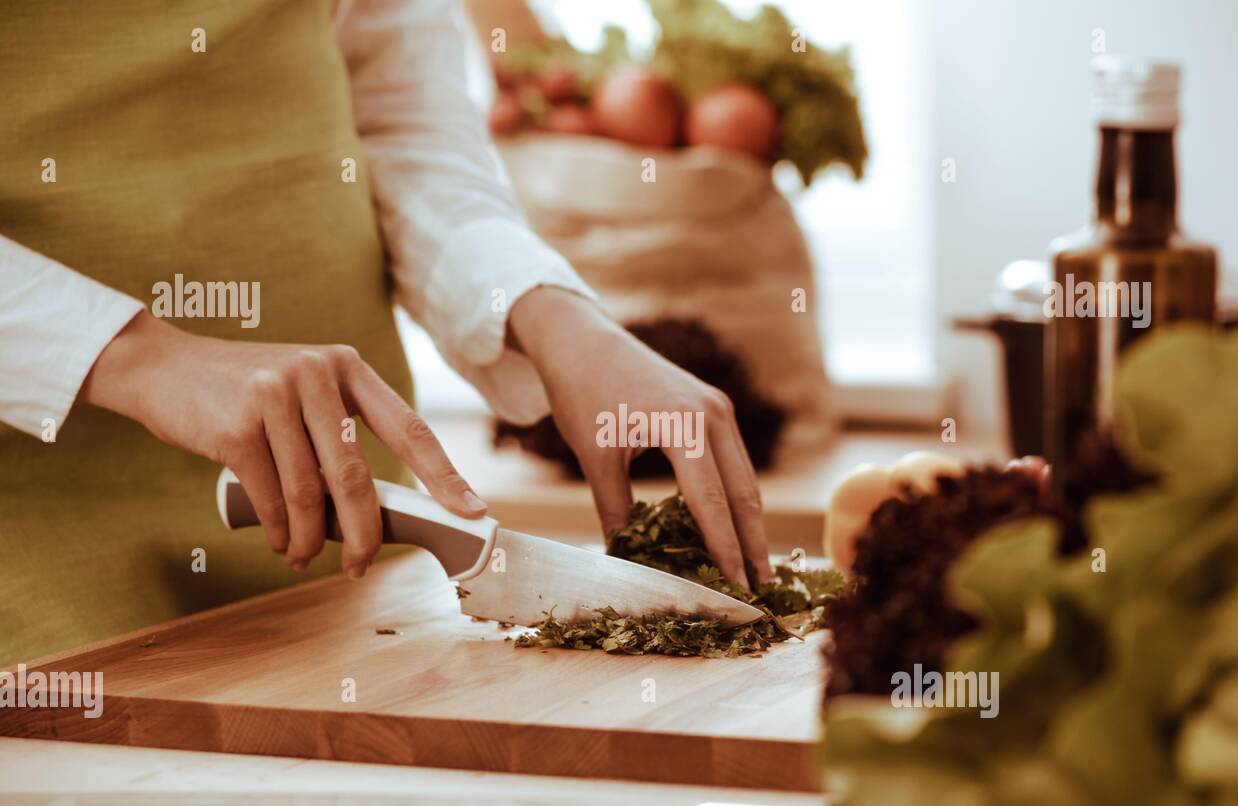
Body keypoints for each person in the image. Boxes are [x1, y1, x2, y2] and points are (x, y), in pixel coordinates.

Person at [0, 0, 770, 664]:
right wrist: (134, 356)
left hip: (350, 533)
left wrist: (549, 310)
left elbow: (403, 125)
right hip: (41, 555)